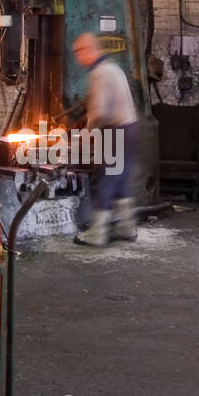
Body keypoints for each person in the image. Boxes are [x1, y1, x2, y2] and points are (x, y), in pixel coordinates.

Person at [71, 32, 139, 247]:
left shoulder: (99, 73)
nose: (77, 58)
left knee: (103, 180)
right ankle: (127, 227)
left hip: (115, 132)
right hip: (130, 128)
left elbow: (100, 112)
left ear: (88, 50)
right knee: (120, 180)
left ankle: (97, 234)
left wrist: (86, 134)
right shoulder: (112, 68)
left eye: (78, 52)